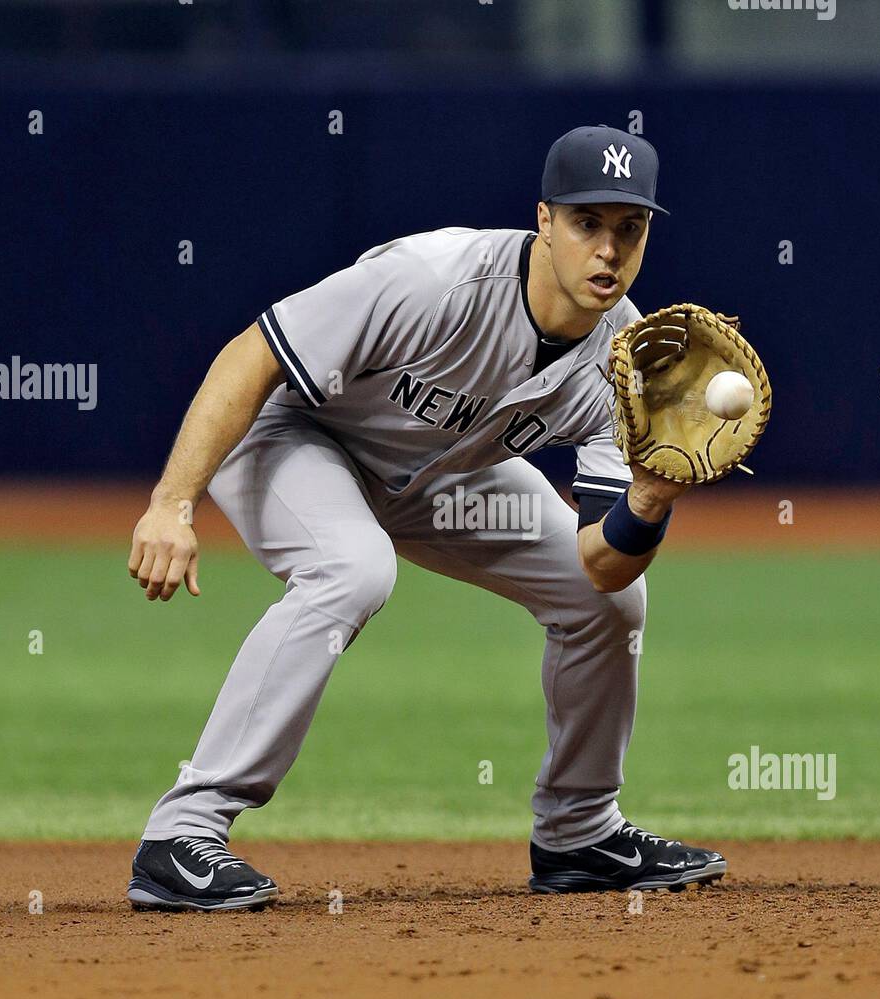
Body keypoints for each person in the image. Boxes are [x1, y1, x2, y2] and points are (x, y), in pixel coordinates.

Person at [125, 125, 727, 910]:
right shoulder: (435, 280)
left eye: (629, 228)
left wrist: (648, 501)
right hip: (292, 432)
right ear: (545, 221)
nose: (608, 250)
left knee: (609, 603)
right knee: (352, 568)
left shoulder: (628, 365)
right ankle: (181, 835)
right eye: (587, 223)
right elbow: (252, 355)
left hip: (439, 476)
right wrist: (172, 504)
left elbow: (602, 568)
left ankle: (580, 834)